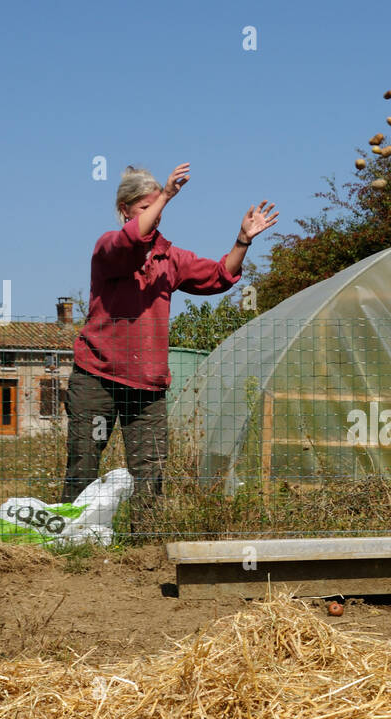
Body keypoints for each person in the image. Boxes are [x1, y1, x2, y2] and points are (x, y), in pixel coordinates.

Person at [62, 163, 277, 525]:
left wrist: (243, 240)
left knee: (150, 471)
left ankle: (144, 545)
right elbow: (131, 241)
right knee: (83, 461)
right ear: (125, 211)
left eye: (157, 206)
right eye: (146, 208)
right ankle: (70, 535)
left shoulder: (170, 259)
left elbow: (220, 276)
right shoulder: (109, 248)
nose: (155, 214)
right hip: (96, 375)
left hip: (146, 384)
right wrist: (166, 195)